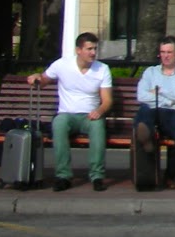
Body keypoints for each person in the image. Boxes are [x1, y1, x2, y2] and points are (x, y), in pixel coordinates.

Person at [28, 31, 112, 191]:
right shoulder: (62, 65)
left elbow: (107, 100)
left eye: (95, 49)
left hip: (90, 115)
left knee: (97, 127)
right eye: (89, 49)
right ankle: (63, 176)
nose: (93, 53)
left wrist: (99, 110)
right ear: (78, 50)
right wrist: (37, 77)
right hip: (67, 113)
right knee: (58, 124)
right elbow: (44, 79)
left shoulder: (102, 69)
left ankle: (97, 176)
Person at [134, 35, 175, 188]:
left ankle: (172, 174)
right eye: (162, 52)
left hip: (174, 113)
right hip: (152, 110)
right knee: (145, 112)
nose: (165, 56)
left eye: (169, 52)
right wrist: (172, 96)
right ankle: (147, 138)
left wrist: (159, 91)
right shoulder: (150, 72)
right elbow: (141, 96)